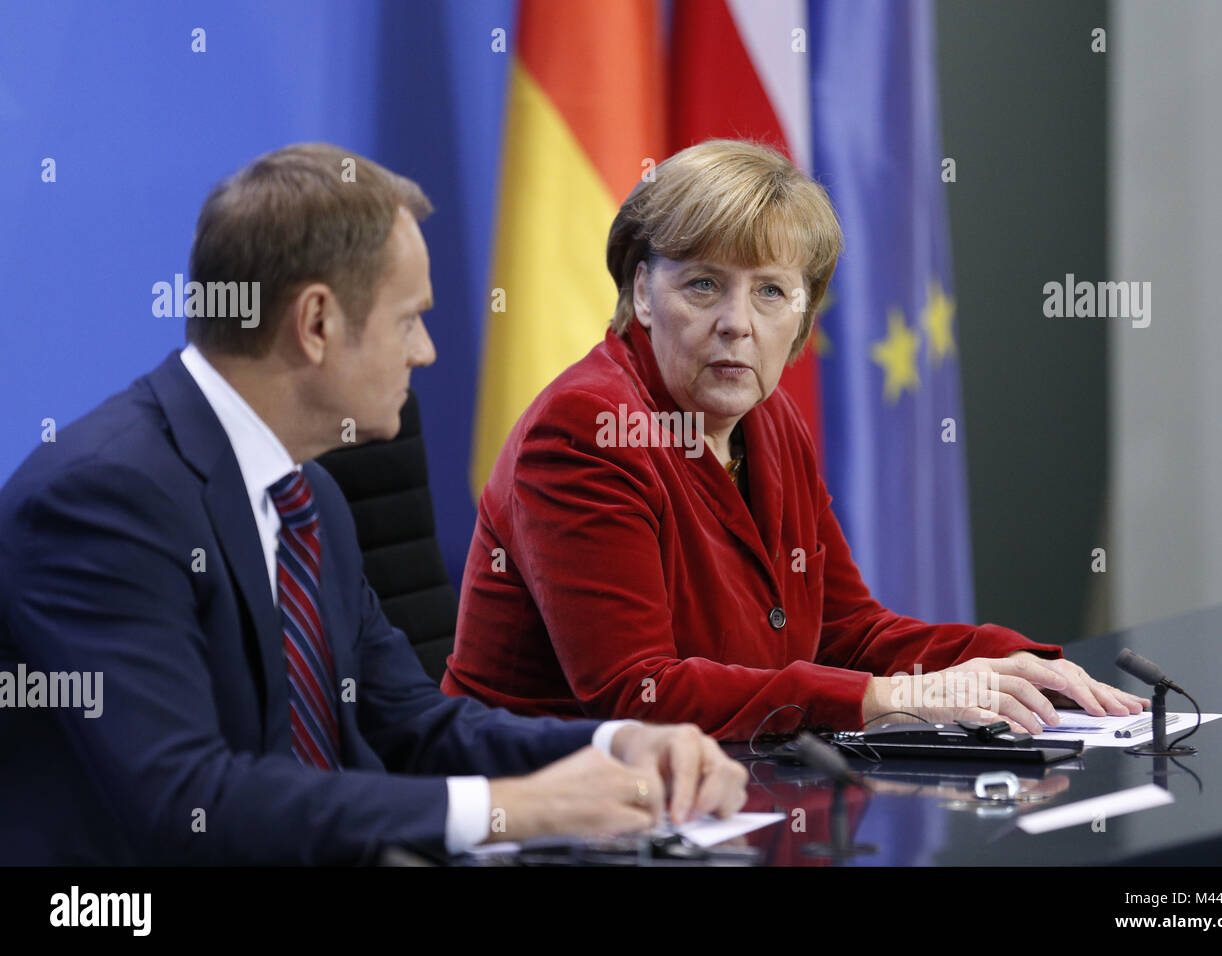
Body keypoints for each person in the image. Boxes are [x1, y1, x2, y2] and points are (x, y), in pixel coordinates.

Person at [0, 143, 747, 865]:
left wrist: (615, 745)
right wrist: (516, 810)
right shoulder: (101, 499)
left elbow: (412, 724)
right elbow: (190, 801)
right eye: (408, 319)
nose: (424, 350)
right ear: (318, 323)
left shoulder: (308, 493)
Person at [443, 139, 1148, 740]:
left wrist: (1010, 662)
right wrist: (889, 698)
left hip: (722, 798)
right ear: (643, 291)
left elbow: (849, 633)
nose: (737, 323)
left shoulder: (769, 419)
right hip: (553, 816)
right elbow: (636, 694)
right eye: (703, 285)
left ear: (804, 310)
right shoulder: (587, 430)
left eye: (770, 292)